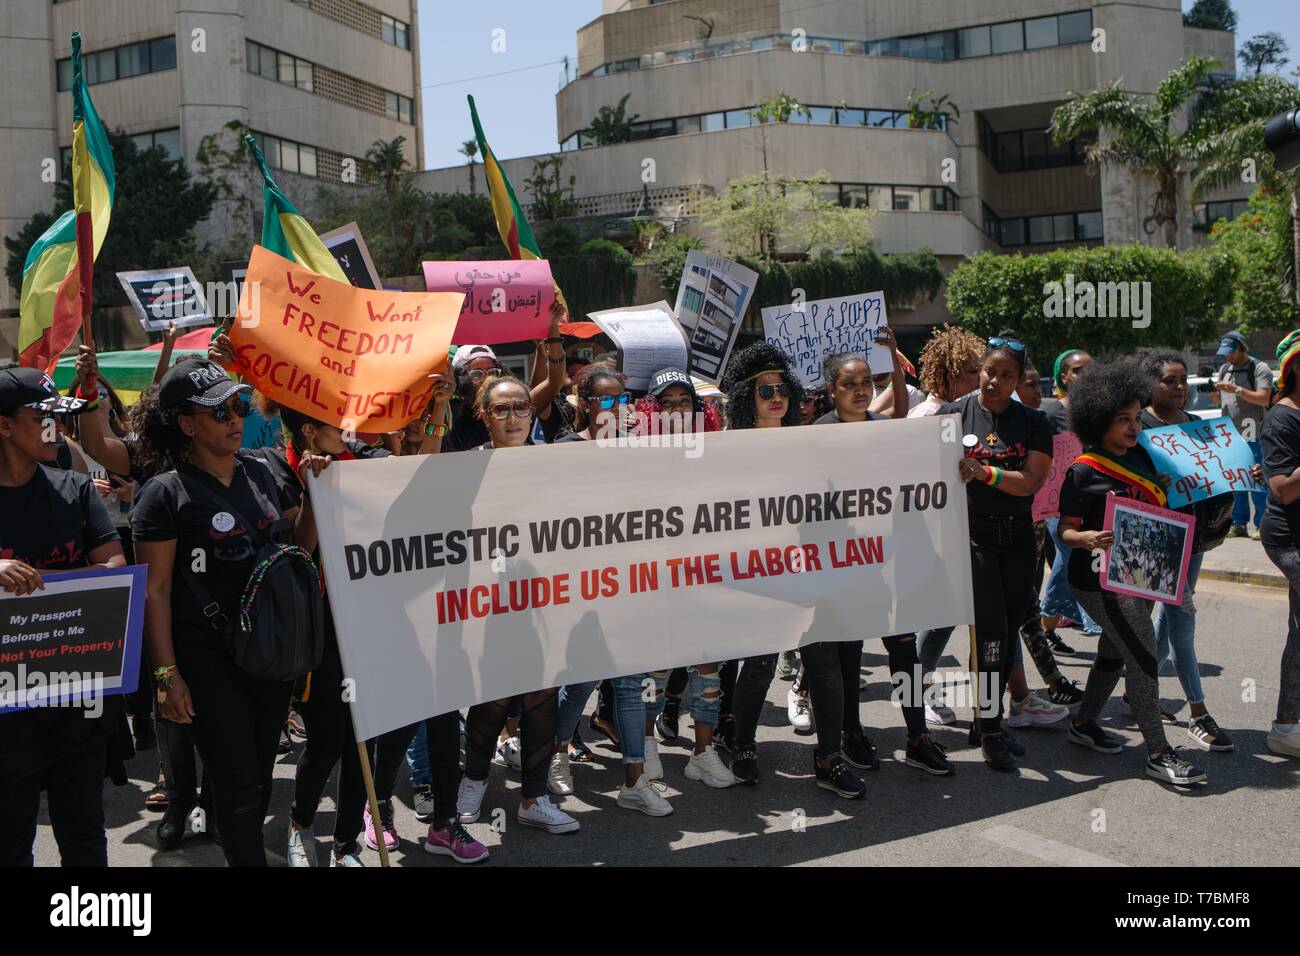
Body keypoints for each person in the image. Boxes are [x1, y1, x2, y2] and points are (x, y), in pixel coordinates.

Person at [131, 358, 332, 865]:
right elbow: (153, 592)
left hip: (267, 653)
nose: (234, 417)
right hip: (205, 660)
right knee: (238, 781)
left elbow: (301, 547)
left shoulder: (266, 468)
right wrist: (165, 674)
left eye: (237, 405)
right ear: (186, 424)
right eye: (218, 411)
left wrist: (312, 494)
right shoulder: (164, 494)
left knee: (259, 776)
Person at [718, 342, 866, 797]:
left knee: (824, 663)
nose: (776, 397)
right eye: (765, 391)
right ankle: (742, 745)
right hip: (759, 574)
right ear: (748, 397)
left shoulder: (812, 443)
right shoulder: (728, 449)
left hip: (809, 569)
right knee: (760, 664)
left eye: (783, 388)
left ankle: (828, 758)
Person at [0, 365, 127, 867]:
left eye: (59, 418)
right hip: (8, 713)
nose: (56, 429)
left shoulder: (75, 490)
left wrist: (52, 592)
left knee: (84, 836)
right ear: (4, 426)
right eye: (42, 418)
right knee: (10, 842)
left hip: (75, 701)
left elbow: (114, 566)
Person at [1058, 360, 1207, 785]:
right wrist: (1084, 539)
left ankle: (1084, 723)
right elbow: (1065, 529)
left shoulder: (1142, 455)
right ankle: (1158, 752)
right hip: (1097, 581)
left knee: (1112, 650)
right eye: (1122, 420)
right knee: (1142, 658)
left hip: (1138, 577)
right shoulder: (1083, 471)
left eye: (1135, 418)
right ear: (1098, 421)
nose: (1132, 427)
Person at [815, 348, 953, 775]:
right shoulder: (817, 435)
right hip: (845, 564)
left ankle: (917, 738)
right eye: (849, 384)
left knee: (903, 647)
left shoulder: (885, 429)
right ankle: (851, 734)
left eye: (865, 383)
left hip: (891, 561)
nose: (860, 391)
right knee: (849, 651)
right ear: (831, 389)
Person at [455, 373, 580, 834]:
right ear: (484, 415)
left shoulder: (552, 463)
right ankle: (473, 780)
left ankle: (533, 797)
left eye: (521, 407)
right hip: (487, 601)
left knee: (541, 695)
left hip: (545, 600)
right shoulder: (465, 466)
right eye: (501, 409)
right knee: (493, 697)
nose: (513, 417)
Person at [940, 333, 1053, 772]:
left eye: (1007, 375)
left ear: (1019, 379)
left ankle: (988, 720)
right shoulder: (953, 415)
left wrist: (985, 472)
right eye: (990, 371)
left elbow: (1030, 482)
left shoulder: (1035, 423)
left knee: (1006, 634)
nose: (995, 381)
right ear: (980, 369)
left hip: (1020, 541)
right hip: (974, 541)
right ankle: (990, 731)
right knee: (989, 637)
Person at [630, 369, 733, 789]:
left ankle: (702, 752)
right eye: (666, 401)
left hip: (703, 573)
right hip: (654, 575)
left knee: (707, 664)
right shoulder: (634, 452)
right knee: (654, 666)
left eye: (684, 401)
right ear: (652, 408)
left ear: (697, 409)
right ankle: (648, 743)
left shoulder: (713, 451)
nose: (676, 408)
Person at [1138, 351, 1235, 751]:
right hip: (1159, 538)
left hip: (1196, 536)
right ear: (1149, 385)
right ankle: (1198, 712)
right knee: (1181, 614)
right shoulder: (1138, 427)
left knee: (1172, 610)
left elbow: (1214, 471)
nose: (1179, 388)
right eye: (1169, 381)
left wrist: (1245, 470)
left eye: (1182, 381)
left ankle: (1140, 689)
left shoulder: (1195, 425)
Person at [443, 301, 569, 452]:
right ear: (485, 416)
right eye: (477, 373)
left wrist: (553, 328)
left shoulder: (516, 406)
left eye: (492, 372)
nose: (512, 418)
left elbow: (555, 381)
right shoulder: (449, 416)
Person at [1039, 349, 1102, 651]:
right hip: (1057, 505)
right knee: (1067, 560)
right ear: (1063, 376)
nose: (1085, 376)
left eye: (1090, 370)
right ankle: (1049, 621)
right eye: (1078, 371)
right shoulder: (1051, 415)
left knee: (1075, 563)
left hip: (1092, 502)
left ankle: (1046, 627)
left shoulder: (1100, 413)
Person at [1257, 330, 1300, 759]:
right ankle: (1286, 726)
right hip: (1290, 539)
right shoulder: (1281, 420)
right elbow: (1284, 488)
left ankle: (1287, 726)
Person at [1214, 331, 1272, 539]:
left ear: (1241, 348)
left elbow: (1263, 399)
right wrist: (1214, 391)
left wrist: (1236, 389)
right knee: (1235, 481)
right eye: (1225, 353)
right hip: (1231, 435)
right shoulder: (1224, 369)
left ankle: (1261, 524)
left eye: (1231, 352)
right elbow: (1217, 401)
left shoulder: (1259, 368)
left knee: (1256, 479)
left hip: (1254, 432)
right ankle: (1238, 523)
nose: (1227, 357)